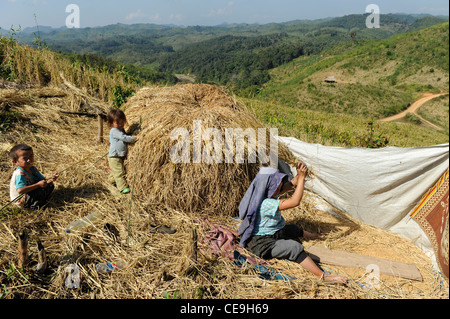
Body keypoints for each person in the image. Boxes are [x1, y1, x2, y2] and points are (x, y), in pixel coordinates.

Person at [239, 163, 347, 283]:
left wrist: (300, 174)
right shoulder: (265, 203)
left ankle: (315, 236)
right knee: (293, 247)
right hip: (263, 243)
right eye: (278, 183)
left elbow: (290, 185)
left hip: (274, 233)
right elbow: (295, 202)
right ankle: (323, 276)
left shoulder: (267, 192)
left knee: (292, 229)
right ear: (270, 186)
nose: (281, 184)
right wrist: (301, 178)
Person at [9, 144, 60, 209]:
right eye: (25, 158)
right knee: (39, 192)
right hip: (21, 200)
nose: (29, 160)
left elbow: (42, 180)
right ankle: (34, 206)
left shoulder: (33, 169)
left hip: (31, 191)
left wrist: (52, 178)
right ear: (15, 162)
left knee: (50, 185)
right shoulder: (20, 174)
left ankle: (39, 200)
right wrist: (38, 185)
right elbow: (20, 190)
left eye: (31, 156)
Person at [107, 108, 138, 194]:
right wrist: (134, 138)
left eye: (122, 122)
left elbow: (124, 135)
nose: (121, 124)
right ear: (111, 123)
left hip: (118, 156)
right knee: (119, 173)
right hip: (114, 156)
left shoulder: (121, 130)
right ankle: (122, 188)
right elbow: (124, 138)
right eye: (117, 123)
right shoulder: (114, 131)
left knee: (118, 171)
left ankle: (111, 180)